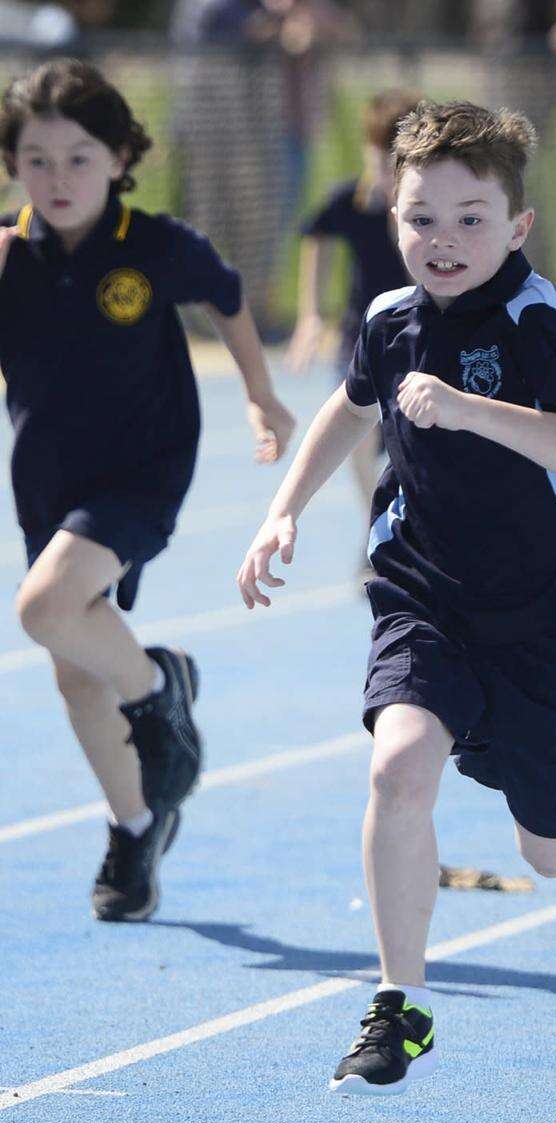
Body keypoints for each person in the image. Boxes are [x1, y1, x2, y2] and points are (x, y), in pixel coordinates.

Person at [236, 100, 556, 1096]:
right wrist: (280, 511)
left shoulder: (532, 322)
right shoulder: (389, 322)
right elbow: (347, 408)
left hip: (539, 623)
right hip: (422, 598)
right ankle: (399, 1001)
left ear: (518, 227)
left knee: (548, 851)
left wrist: (469, 411)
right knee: (397, 768)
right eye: (422, 217)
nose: (444, 240)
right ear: (392, 217)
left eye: (472, 218)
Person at [0, 58, 294, 923]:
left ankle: (160, 684)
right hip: (45, 478)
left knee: (44, 607)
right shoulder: (7, 258)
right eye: (38, 158)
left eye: (80, 157)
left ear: (122, 156)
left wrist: (258, 391)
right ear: (12, 162)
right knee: (73, 674)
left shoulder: (156, 247)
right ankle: (136, 827)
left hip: (141, 470)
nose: (59, 178)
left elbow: (228, 297)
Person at [287, 89, 417, 530]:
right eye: (378, 162)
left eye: (395, 165)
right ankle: (376, 527)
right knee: (355, 439)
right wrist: (310, 314)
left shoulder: (425, 212)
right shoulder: (353, 202)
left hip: (418, 336)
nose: (385, 174)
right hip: (362, 337)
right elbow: (316, 236)